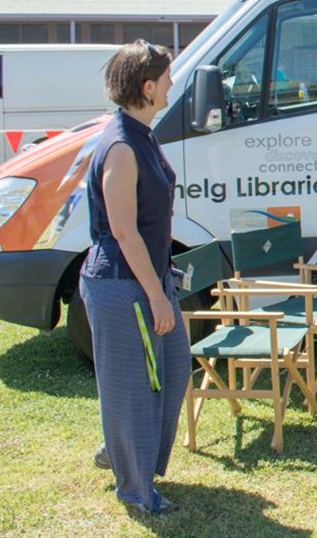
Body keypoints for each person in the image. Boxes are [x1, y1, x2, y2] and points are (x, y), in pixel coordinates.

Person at [79, 40, 188, 516]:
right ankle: (136, 489)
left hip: (148, 277)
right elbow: (123, 231)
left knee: (174, 368)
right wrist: (156, 297)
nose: (171, 85)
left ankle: (119, 451)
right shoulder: (122, 145)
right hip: (122, 284)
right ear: (147, 87)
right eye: (166, 78)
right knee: (136, 385)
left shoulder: (142, 132)